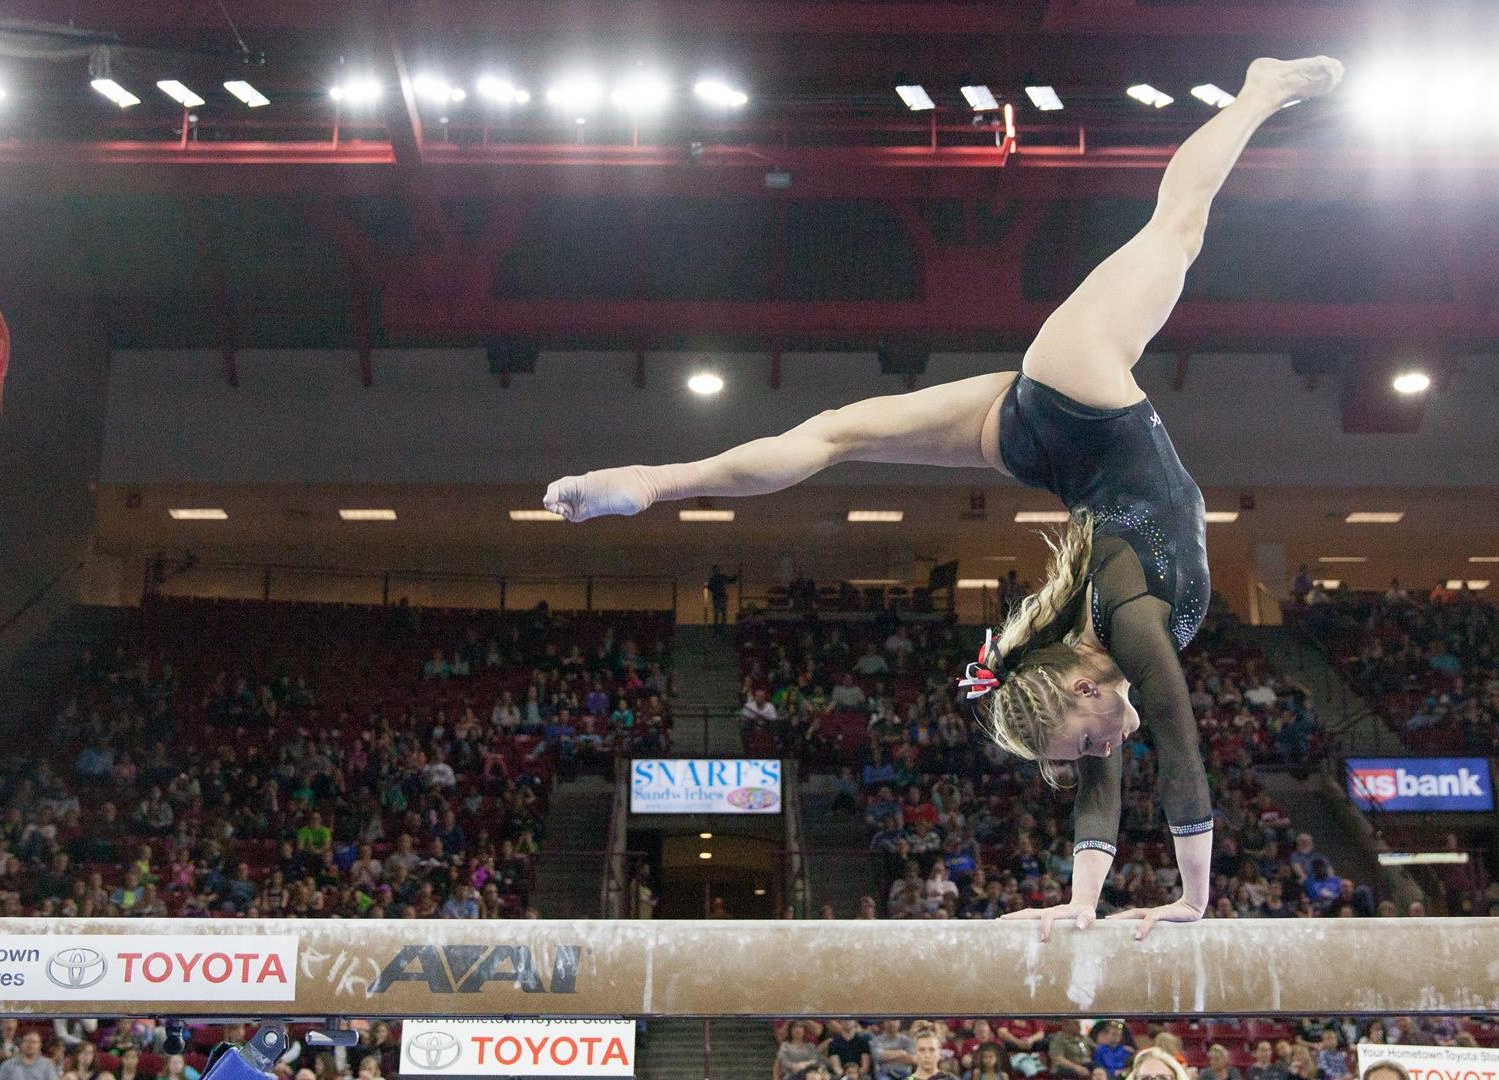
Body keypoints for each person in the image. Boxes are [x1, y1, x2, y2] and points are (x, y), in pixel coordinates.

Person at [545, 55, 1346, 939]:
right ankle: (657, 481)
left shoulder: (1127, 628)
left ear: (1078, 685)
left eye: (1084, 739)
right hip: (1040, 443)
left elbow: (1180, 742)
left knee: (1178, 229)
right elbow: (1108, 776)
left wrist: (1195, 901)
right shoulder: (1096, 664)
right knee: (838, 433)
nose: (1099, 751)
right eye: (1084, 750)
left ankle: (1261, 89)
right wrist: (1082, 907)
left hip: (1079, 399)